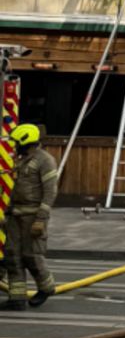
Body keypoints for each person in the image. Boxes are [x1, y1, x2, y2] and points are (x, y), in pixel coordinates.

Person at [3, 123, 58, 312]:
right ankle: (16, 299)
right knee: (12, 256)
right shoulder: (23, 159)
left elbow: (50, 192)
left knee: (31, 256)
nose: (15, 146)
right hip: (16, 216)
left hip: (32, 216)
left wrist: (41, 219)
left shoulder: (45, 160)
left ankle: (46, 288)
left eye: (17, 142)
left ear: (26, 141)